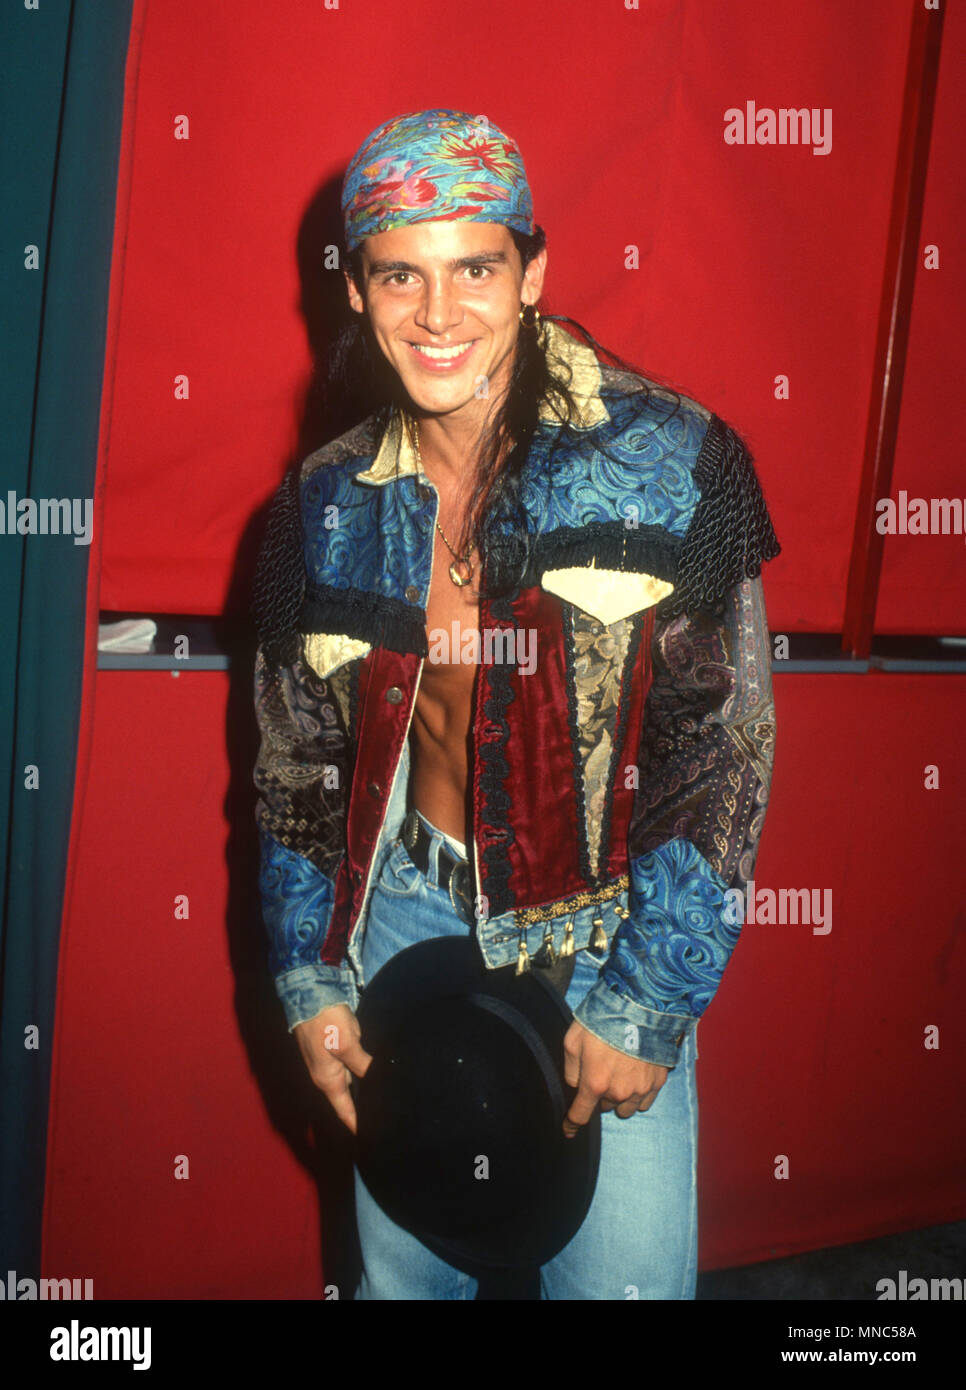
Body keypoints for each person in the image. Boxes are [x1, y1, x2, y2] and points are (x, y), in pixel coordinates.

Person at [251, 109, 780, 1300]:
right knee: (408, 1286)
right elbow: (297, 765)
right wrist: (308, 976)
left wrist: (651, 994)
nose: (439, 316)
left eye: (475, 267)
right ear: (356, 290)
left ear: (532, 271)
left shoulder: (675, 459)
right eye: (402, 274)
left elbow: (723, 745)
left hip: (603, 939)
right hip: (398, 923)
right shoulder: (320, 504)